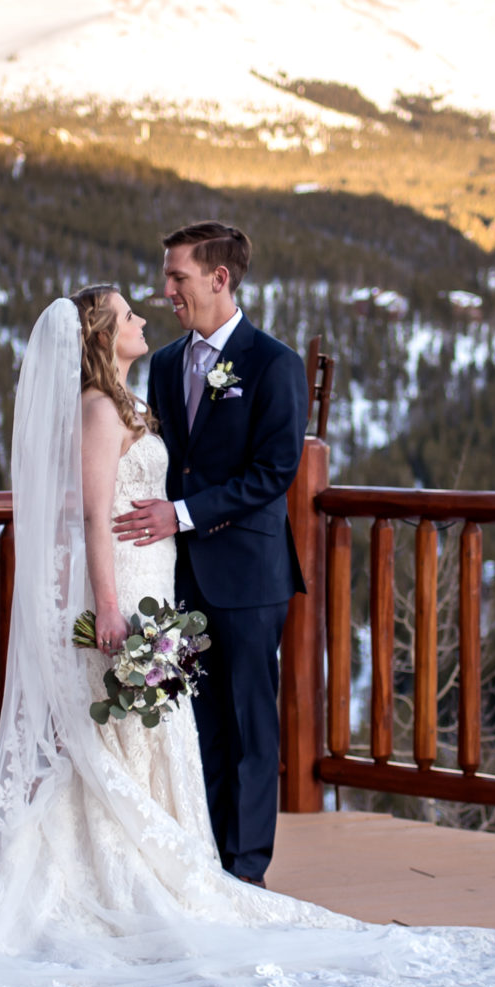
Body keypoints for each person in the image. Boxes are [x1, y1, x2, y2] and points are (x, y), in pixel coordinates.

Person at [0, 268, 495, 987]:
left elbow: (234, 471)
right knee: (119, 739)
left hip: (166, 581)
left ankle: (198, 868)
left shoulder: (146, 390)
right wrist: (108, 603)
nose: (146, 310)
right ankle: (114, 878)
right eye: (127, 311)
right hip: (132, 592)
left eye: (162, 289)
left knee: (169, 735)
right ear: (98, 336)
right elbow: (89, 515)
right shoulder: (97, 405)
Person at [114, 221, 303, 885]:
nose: (166, 290)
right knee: (197, 724)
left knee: (251, 726)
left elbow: (274, 471)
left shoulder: (274, 364)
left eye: (179, 277)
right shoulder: (165, 365)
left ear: (220, 279)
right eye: (167, 277)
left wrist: (183, 515)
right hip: (179, 578)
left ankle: (247, 873)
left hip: (250, 576)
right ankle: (208, 863)